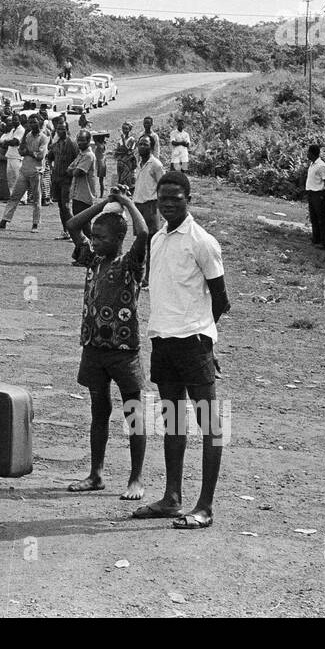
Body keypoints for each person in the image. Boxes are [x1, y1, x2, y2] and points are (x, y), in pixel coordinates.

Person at [132, 171, 230, 530]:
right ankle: (172, 498)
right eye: (163, 198)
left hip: (193, 343)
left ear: (189, 199)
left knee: (211, 425)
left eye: (176, 198)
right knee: (173, 420)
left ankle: (204, 506)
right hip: (163, 341)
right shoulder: (158, 238)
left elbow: (221, 300)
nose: (169, 204)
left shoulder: (202, 242)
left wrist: (205, 337)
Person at [65, 189, 149, 499]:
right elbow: (74, 225)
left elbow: (143, 232)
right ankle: (96, 473)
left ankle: (136, 479)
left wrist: (126, 203)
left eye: (101, 237)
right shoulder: (92, 259)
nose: (95, 240)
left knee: (133, 411)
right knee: (98, 410)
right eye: (95, 236)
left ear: (117, 240)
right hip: (94, 347)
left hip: (123, 351)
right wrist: (103, 203)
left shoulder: (130, 264)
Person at [0, 114, 46, 231]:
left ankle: (35, 224)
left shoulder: (43, 137)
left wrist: (28, 152)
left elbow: (40, 156)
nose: (32, 125)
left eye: (34, 122)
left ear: (39, 123)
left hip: (36, 171)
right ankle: (4, 220)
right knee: (14, 196)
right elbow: (21, 151)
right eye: (30, 123)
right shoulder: (28, 135)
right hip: (24, 170)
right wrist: (28, 151)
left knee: (36, 199)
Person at [132, 136, 165, 287]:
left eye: (145, 144)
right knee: (140, 242)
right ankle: (139, 274)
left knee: (151, 243)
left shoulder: (155, 164)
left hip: (150, 206)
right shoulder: (139, 163)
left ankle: (149, 278)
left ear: (151, 147)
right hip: (138, 206)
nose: (142, 147)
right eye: (140, 144)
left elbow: (162, 186)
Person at [67, 130, 101, 255]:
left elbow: (77, 172)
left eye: (83, 140)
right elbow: (69, 169)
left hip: (85, 195)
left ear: (88, 141)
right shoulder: (81, 155)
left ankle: (91, 253)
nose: (80, 143)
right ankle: (83, 252)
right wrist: (73, 170)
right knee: (80, 224)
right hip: (77, 194)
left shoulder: (88, 156)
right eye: (79, 140)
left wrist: (73, 170)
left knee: (84, 225)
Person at [47, 115, 79, 240]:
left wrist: (70, 171)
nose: (60, 131)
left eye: (63, 129)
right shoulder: (56, 144)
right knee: (60, 206)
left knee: (66, 206)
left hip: (67, 180)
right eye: (58, 129)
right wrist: (51, 168)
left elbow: (78, 159)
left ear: (67, 130)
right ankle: (65, 230)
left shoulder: (72, 144)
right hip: (57, 179)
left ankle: (73, 232)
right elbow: (50, 157)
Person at [306, 143, 325, 250]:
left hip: (318, 194)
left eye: (308, 152)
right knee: (314, 218)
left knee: (321, 219)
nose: (307, 154)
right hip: (311, 193)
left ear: (313, 153)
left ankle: (324, 242)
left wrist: (323, 196)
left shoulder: (321, 165)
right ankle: (316, 239)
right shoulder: (312, 164)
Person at [114, 121, 138, 189]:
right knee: (121, 180)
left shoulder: (132, 139)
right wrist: (121, 151)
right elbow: (117, 152)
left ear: (130, 129)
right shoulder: (120, 140)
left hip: (128, 163)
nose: (124, 130)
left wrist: (123, 141)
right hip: (121, 163)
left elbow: (128, 150)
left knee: (128, 181)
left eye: (126, 128)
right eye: (123, 128)